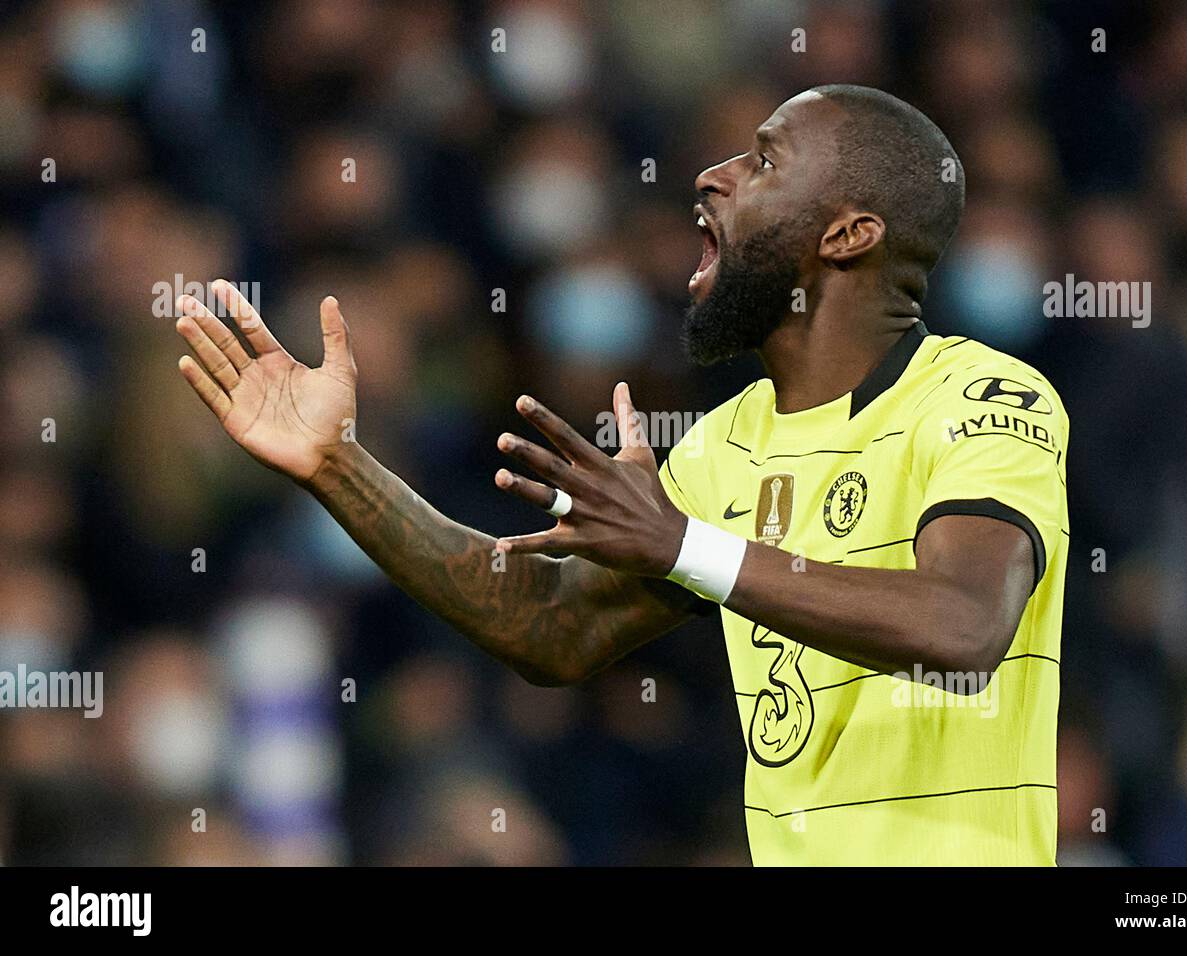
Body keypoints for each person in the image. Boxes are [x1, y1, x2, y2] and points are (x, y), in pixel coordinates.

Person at [174, 85, 1068, 865]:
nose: (711, 176)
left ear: (848, 233)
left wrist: (683, 545)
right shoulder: (724, 449)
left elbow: (963, 624)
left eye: (763, 161)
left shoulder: (984, 397)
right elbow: (548, 626)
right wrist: (338, 467)